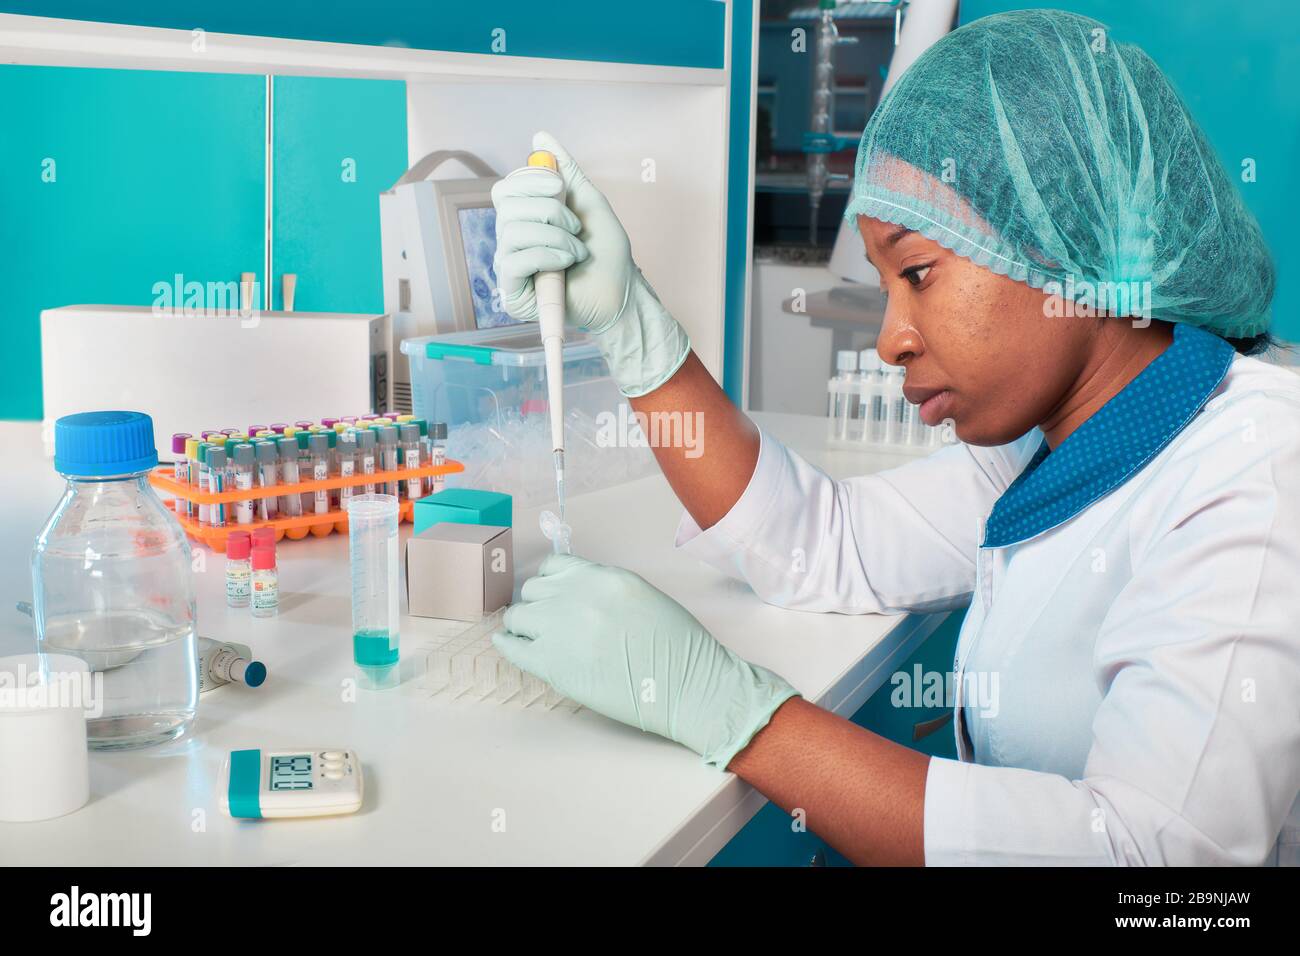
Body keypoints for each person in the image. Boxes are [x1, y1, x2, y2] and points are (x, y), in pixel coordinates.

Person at [489, 10, 1300, 865]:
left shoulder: (1256, 472)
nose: (889, 339)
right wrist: (633, 330)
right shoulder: (1060, 442)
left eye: (918, 272)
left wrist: (737, 717)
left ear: (1067, 241)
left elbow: (1162, 872)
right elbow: (824, 543)